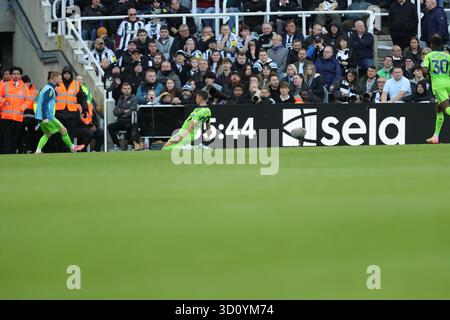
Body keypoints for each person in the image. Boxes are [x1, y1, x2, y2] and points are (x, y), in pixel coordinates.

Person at [34, 72, 85, 154]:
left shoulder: (46, 88)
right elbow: (44, 103)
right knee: (64, 130)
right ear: (55, 78)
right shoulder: (50, 90)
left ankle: (38, 150)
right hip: (48, 117)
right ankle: (72, 147)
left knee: (48, 134)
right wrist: (45, 117)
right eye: (60, 79)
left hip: (39, 117)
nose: (61, 81)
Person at [423, 35, 450, 144]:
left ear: (432, 45)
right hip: (448, 83)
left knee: (446, 108)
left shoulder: (429, 55)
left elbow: (424, 71)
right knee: (439, 109)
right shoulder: (448, 56)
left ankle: (435, 136)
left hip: (438, 86)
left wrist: (427, 76)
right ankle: (435, 137)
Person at [0, 67, 33, 154]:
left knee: (16, 139)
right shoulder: (5, 85)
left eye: (18, 74)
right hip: (6, 117)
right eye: (14, 73)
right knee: (6, 139)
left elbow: (29, 100)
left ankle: (12, 156)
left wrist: (22, 108)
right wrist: (4, 101)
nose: (16, 75)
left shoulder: (24, 87)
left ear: (20, 75)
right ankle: (5, 156)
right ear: (11, 75)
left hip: (18, 117)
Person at [108, 82, 141, 151]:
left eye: (129, 88)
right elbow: (115, 112)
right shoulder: (120, 99)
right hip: (120, 121)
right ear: (122, 90)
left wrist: (121, 112)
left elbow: (132, 110)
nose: (127, 90)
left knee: (130, 125)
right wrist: (124, 111)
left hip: (130, 120)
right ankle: (117, 146)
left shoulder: (134, 98)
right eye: (125, 89)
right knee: (110, 127)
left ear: (131, 90)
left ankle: (130, 145)